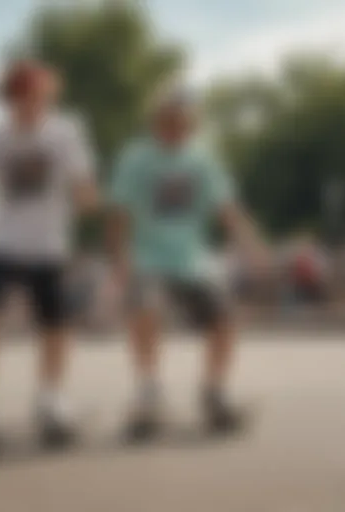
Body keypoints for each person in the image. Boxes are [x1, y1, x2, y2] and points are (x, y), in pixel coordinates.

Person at [108, 85, 269, 441]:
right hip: (148, 256)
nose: (176, 129)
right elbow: (119, 211)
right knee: (145, 309)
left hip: (192, 259)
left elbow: (226, 207)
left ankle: (214, 391)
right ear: (156, 120)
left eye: (183, 123)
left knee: (224, 318)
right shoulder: (136, 157)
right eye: (169, 121)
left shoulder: (203, 159)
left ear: (193, 124)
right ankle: (149, 391)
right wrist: (118, 259)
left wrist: (252, 245)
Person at [0, 61, 98, 448]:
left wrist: (87, 196)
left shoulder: (66, 132)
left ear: (48, 96)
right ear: (8, 100)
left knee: (54, 322)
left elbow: (83, 182)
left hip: (49, 244)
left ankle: (51, 397)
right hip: (1, 240)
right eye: (22, 99)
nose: (30, 106)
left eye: (38, 98)